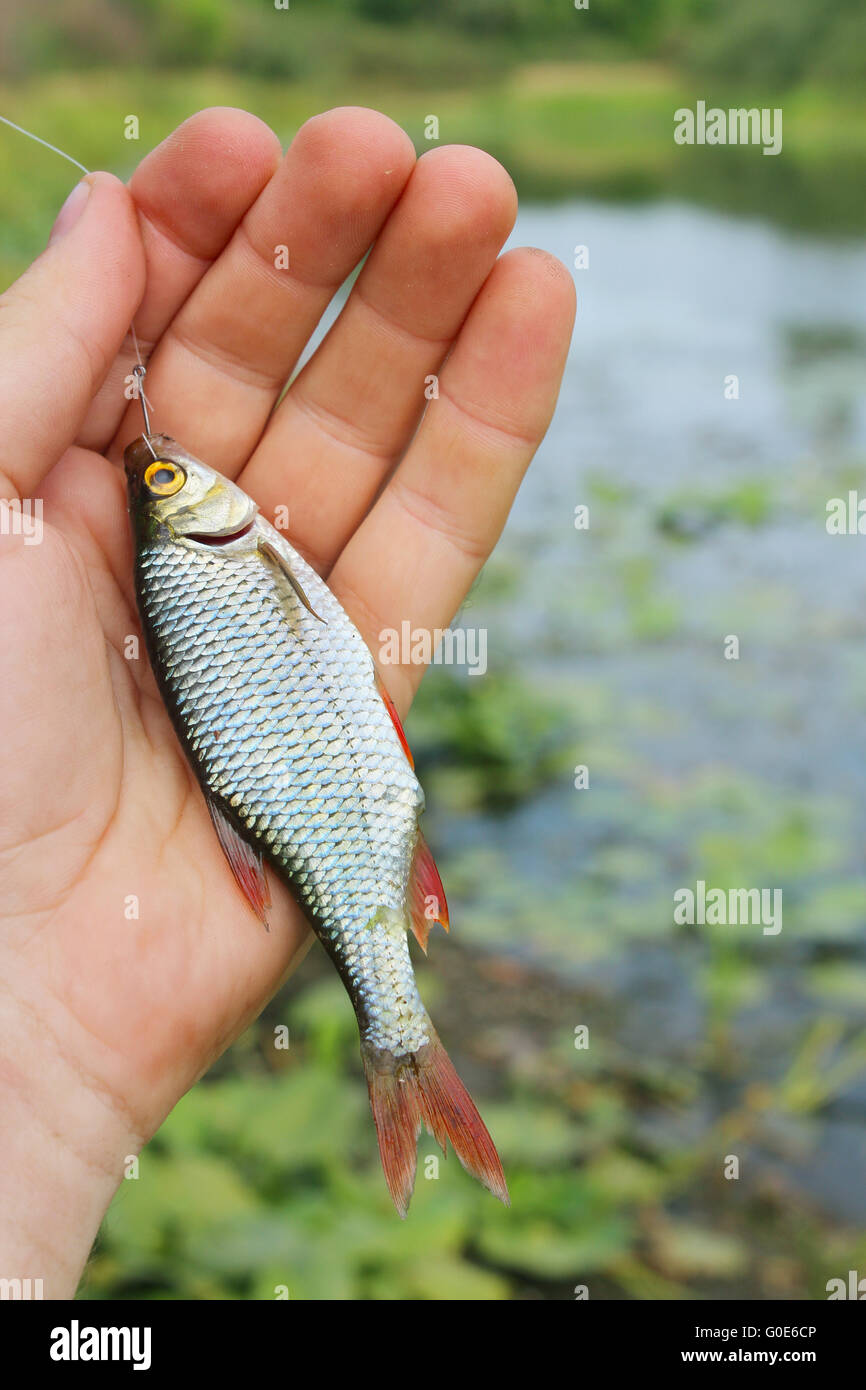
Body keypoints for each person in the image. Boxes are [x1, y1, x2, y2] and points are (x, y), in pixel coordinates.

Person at [0, 105, 575, 1297]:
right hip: (315, 779)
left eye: (156, 472)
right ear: (198, 513)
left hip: (309, 776)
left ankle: (396, 1034)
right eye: (169, 476)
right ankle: (397, 1035)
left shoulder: (204, 547)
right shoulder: (216, 543)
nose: (172, 470)